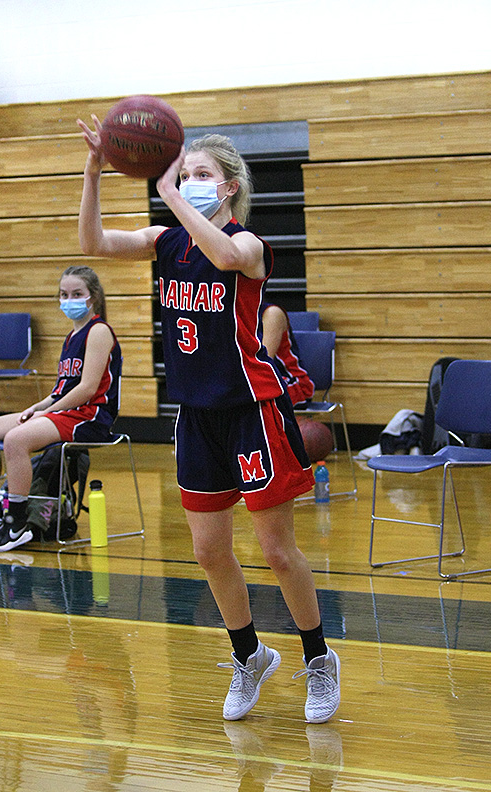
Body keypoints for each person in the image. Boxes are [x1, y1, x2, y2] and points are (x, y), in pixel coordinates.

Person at [77, 118, 340, 724]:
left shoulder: (249, 246)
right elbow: (92, 243)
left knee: (276, 550)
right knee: (208, 551)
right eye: (183, 172)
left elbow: (222, 253)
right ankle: (249, 656)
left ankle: (319, 658)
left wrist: (166, 189)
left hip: (252, 412)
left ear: (228, 188)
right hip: (194, 418)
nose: (188, 182)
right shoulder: (166, 244)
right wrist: (95, 170)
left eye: (201, 175)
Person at [0, 265, 121, 553]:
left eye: (77, 293)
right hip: (65, 411)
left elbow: (88, 388)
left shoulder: (99, 331)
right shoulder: (71, 336)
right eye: (64, 294)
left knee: (17, 440)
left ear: (93, 297)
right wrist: (38, 406)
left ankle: (16, 523)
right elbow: (62, 388)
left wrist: (48, 413)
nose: (69, 300)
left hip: (90, 416)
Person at [261, 303, 315, 406]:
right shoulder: (234, 315)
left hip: (291, 382)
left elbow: (263, 363)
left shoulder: (272, 313)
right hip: (263, 381)